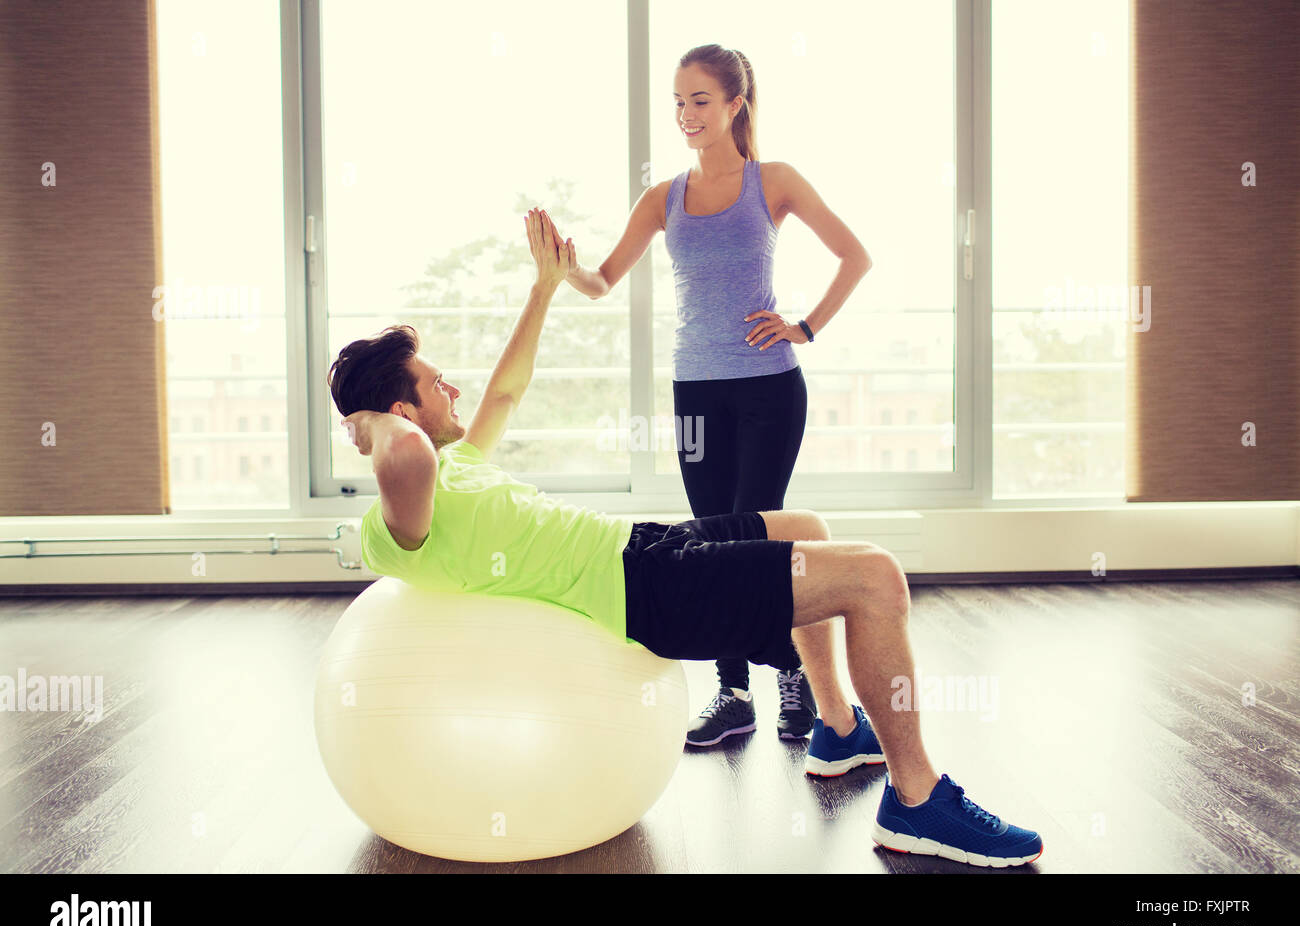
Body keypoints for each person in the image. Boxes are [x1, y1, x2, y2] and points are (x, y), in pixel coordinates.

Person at [327, 210, 1043, 867]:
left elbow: (506, 391)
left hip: (642, 547)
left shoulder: (458, 462)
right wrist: (370, 422)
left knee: (806, 529)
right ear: (398, 413)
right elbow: (405, 456)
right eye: (435, 384)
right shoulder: (402, 519)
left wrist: (545, 287)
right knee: (877, 577)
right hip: (647, 593)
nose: (454, 391)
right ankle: (916, 801)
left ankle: (837, 728)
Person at [549, 44, 872, 747]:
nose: (686, 114)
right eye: (678, 101)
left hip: (768, 387)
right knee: (712, 545)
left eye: (699, 100)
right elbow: (603, 281)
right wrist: (565, 268)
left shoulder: (773, 181)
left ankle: (792, 679)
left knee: (758, 535)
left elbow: (856, 255)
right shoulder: (661, 198)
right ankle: (733, 693)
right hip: (695, 390)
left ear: (734, 105)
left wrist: (805, 326)